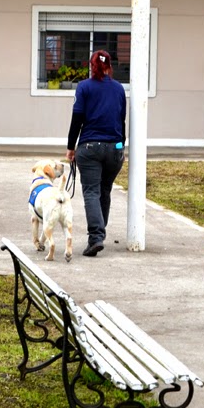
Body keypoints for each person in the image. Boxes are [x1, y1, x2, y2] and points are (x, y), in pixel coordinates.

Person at [65, 50, 126, 257]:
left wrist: (71, 147)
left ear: (92, 66)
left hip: (90, 147)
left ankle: (96, 237)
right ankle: (99, 234)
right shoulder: (119, 89)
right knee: (104, 190)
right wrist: (121, 146)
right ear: (109, 66)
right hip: (115, 148)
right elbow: (121, 120)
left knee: (91, 192)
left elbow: (77, 119)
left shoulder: (84, 87)